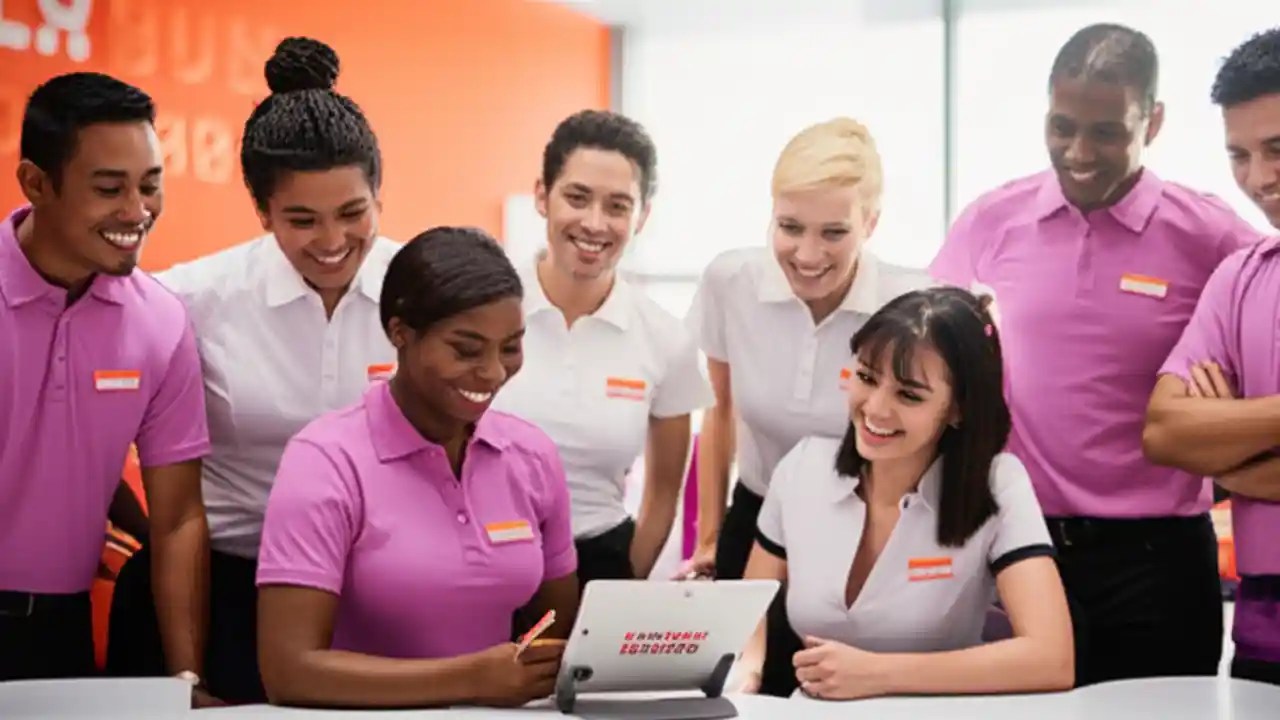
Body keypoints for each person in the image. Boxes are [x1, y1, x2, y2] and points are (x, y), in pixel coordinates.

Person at [928, 23, 1265, 686]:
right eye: (1061, 127)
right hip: (1023, 549)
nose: (1078, 152)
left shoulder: (1211, 233)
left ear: (1154, 121)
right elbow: (933, 359)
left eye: (1106, 132)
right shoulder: (993, 219)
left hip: (1160, 563)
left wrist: (1233, 467)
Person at [104, 37, 398, 704]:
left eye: (354, 213)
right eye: (301, 220)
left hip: (376, 595)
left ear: (379, 193)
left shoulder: (423, 291)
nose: (331, 242)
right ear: (263, 212)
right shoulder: (190, 300)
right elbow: (95, 436)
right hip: (226, 591)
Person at [254, 226, 578, 709]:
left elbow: (553, 624)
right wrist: (471, 679)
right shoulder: (326, 460)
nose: (492, 372)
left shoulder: (531, 455)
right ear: (399, 332)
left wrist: (525, 663)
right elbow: (289, 669)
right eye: (466, 349)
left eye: (510, 346)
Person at [682, 117, 930, 696]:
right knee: (745, 691)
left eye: (834, 233)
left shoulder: (911, 302)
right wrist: (710, 536)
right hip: (756, 518)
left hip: (867, 534)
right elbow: (720, 410)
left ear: (871, 223)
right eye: (789, 226)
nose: (808, 254)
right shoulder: (731, 280)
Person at [741, 287, 1073, 700]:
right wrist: (746, 672)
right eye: (866, 377)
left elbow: (1051, 658)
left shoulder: (997, 484)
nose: (876, 409)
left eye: (909, 395)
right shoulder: (802, 468)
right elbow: (747, 609)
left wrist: (878, 674)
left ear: (958, 409)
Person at [0, 72, 212, 694]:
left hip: (61, 631)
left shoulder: (162, 322)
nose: (136, 211)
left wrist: (184, 676)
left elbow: (176, 519)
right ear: (37, 183)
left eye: (150, 185)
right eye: (108, 188)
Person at [491, 110, 712, 585]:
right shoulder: (486, 310)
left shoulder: (665, 339)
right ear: (541, 196)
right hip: (481, 556)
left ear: (642, 217)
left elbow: (662, 496)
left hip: (600, 561)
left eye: (617, 206)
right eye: (577, 197)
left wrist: (621, 586)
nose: (595, 223)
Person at [1143, 27, 1280, 688]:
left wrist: (1235, 446)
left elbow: (1203, 444)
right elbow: (1165, 432)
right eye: (1240, 155)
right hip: (1264, 619)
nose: (1259, 179)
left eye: (1278, 149)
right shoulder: (1239, 277)